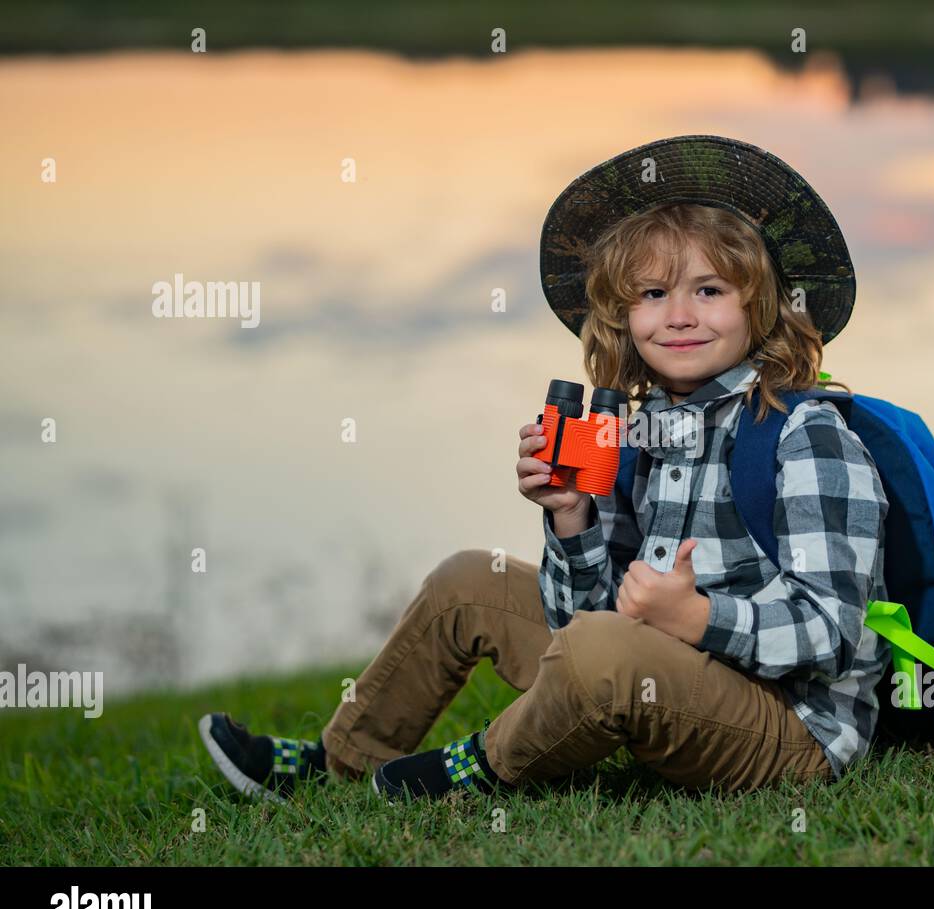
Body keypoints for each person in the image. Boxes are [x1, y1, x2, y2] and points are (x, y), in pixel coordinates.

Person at [198, 134, 891, 804]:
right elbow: (580, 620)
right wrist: (571, 518)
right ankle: (342, 762)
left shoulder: (804, 435)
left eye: (709, 291)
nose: (678, 316)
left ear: (760, 303)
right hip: (647, 676)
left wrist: (697, 617)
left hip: (790, 730)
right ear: (621, 315)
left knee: (603, 653)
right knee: (469, 582)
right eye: (651, 295)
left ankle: (481, 770)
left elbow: (831, 634)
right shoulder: (632, 432)